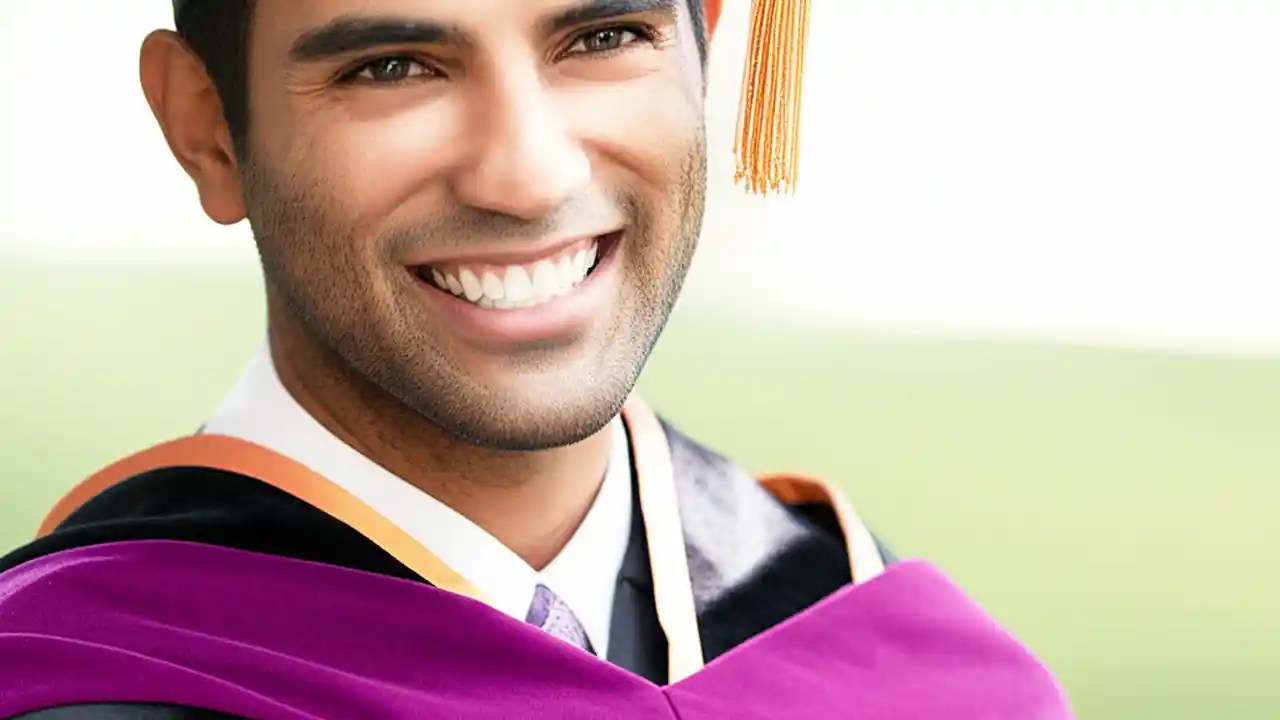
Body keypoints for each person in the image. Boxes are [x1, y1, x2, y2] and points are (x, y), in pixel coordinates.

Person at [0, 1, 1070, 717]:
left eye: (601, 37)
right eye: (393, 66)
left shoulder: (876, 647)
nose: (526, 174)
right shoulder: (89, 681)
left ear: (706, 43)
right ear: (208, 130)